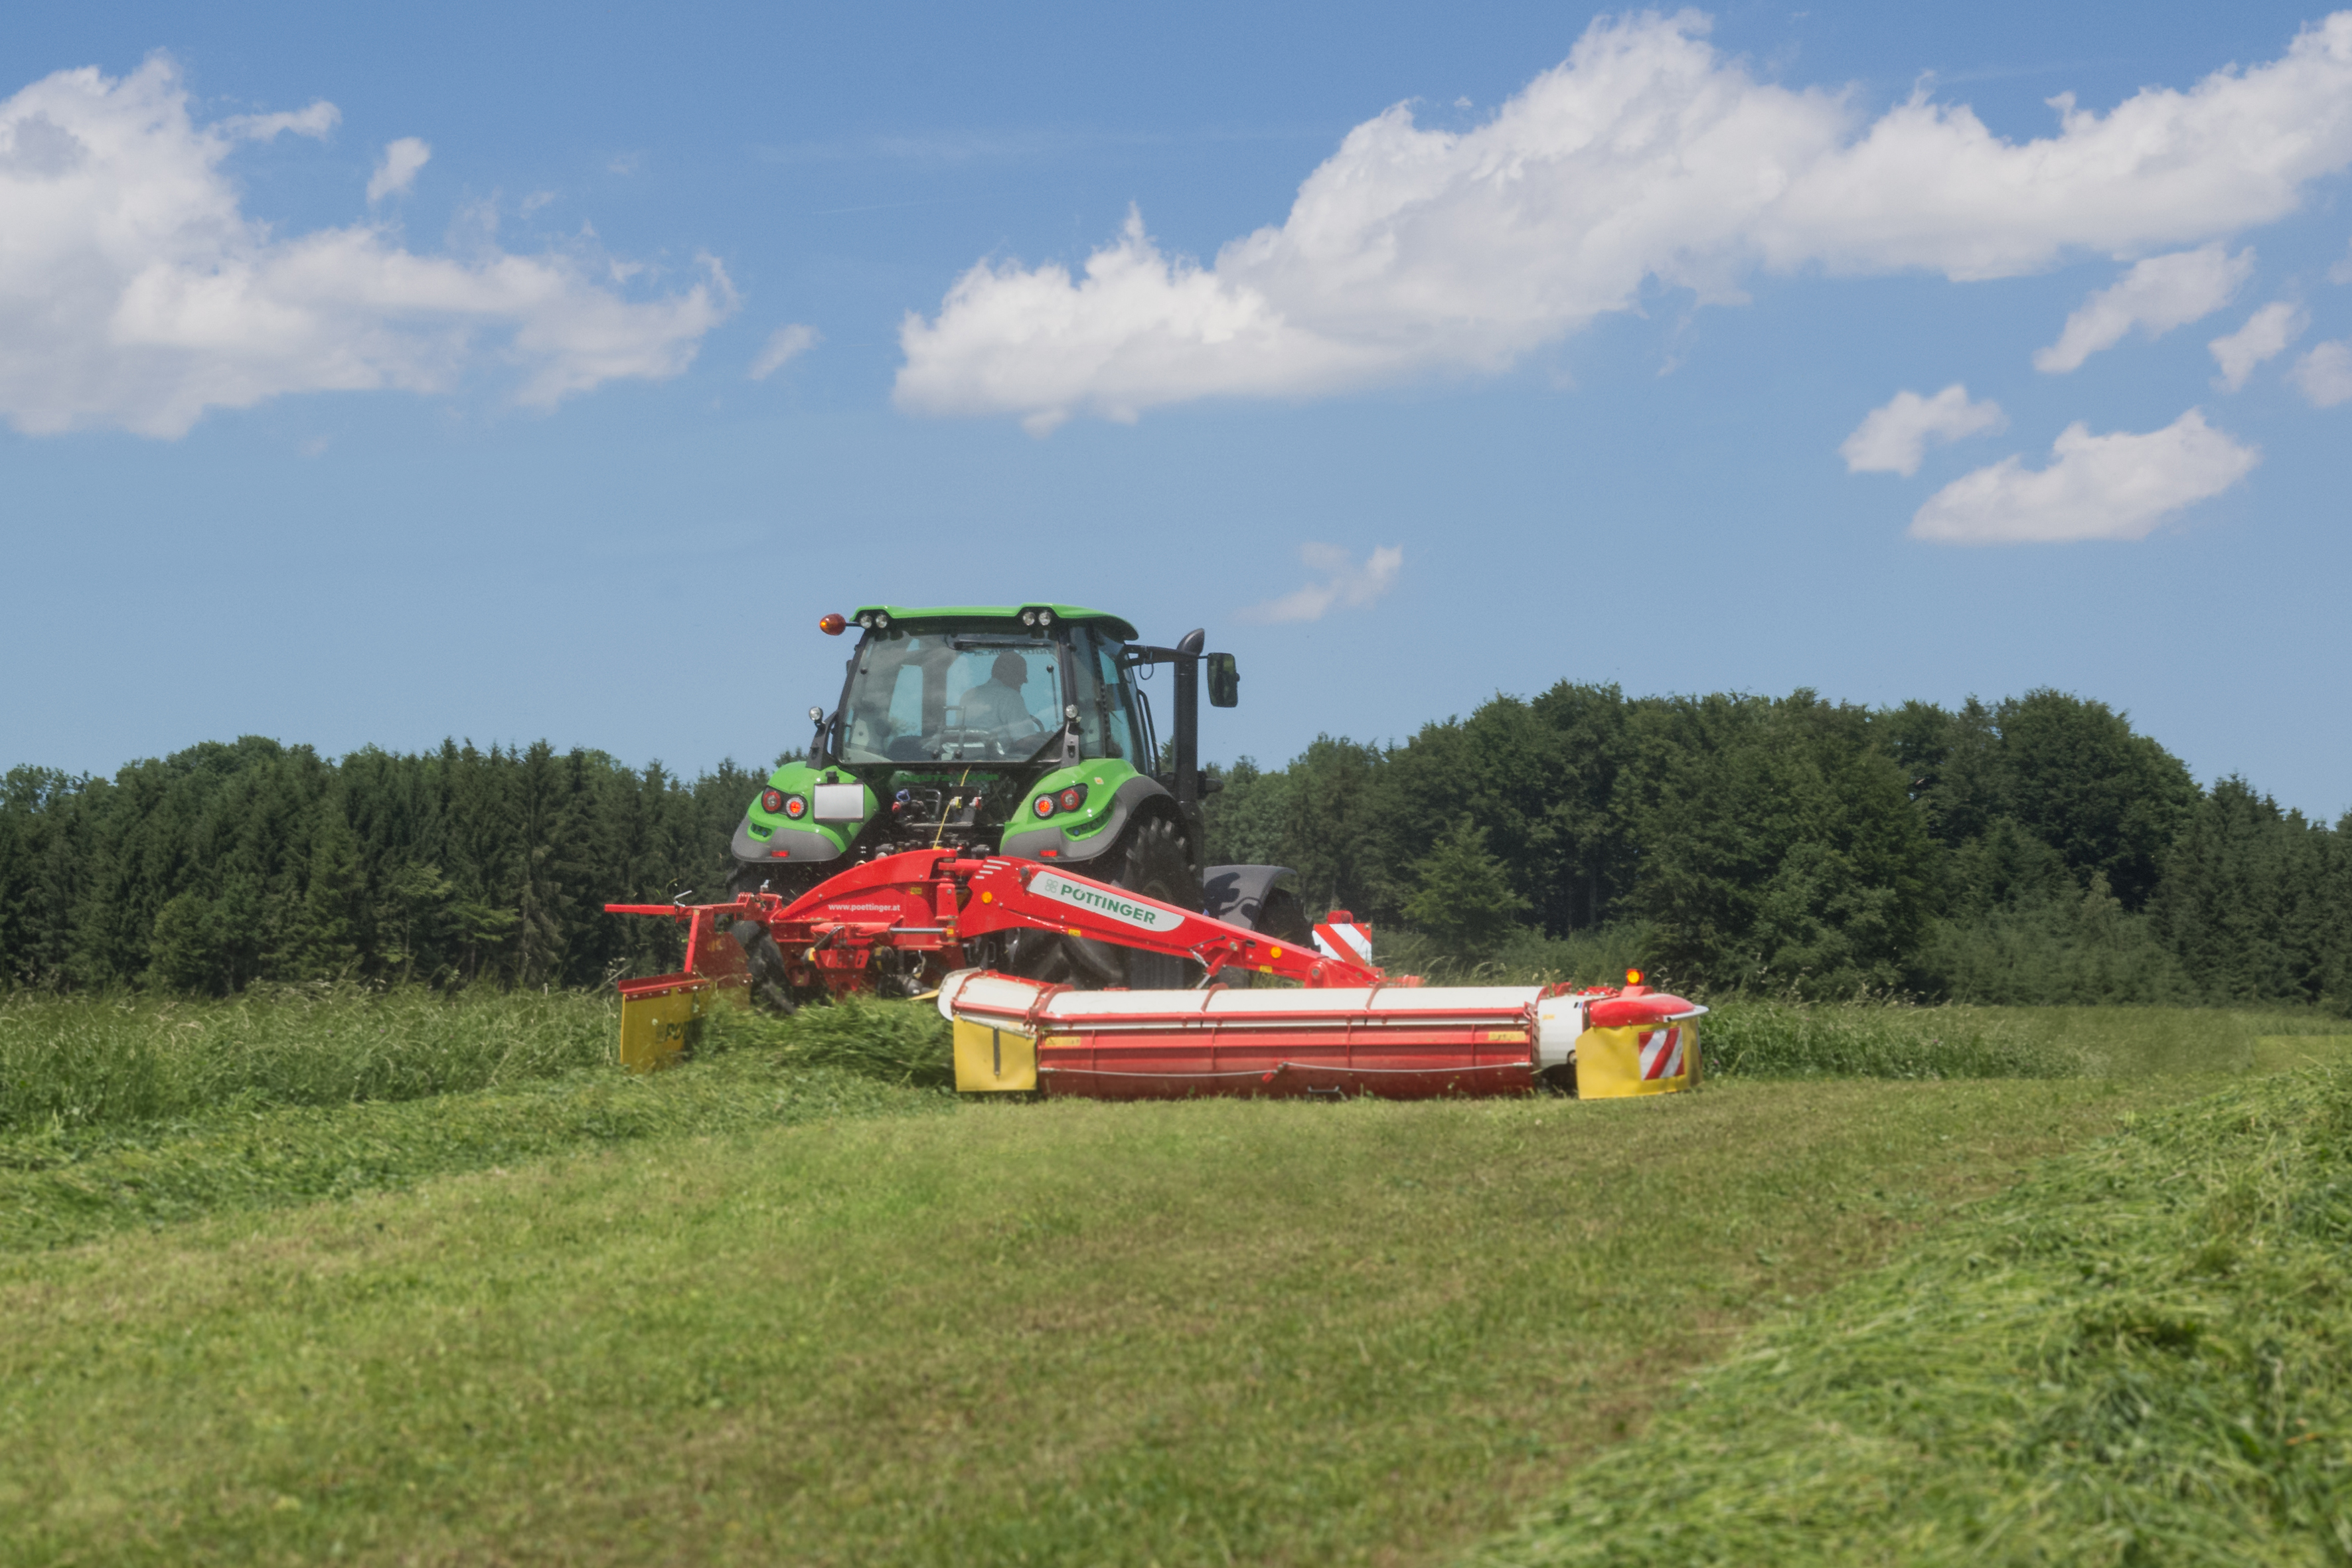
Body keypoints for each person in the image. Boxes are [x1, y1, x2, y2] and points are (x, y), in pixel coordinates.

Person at [955, 651, 1041, 737]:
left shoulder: (969, 695)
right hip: (997, 746)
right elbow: (1026, 741)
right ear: (1010, 674)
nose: (1025, 681)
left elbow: (957, 735)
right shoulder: (1011, 697)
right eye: (1022, 675)